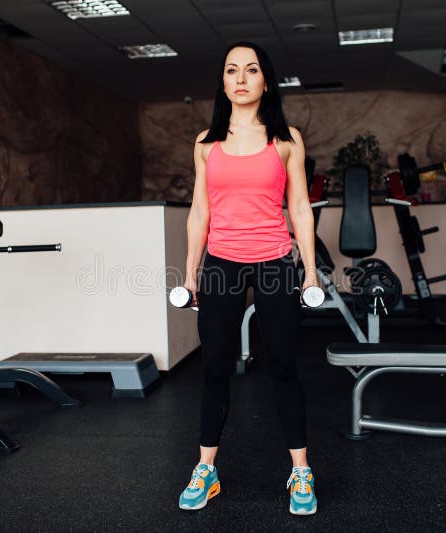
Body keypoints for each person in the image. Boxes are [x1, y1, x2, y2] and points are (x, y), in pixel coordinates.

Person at [178, 41, 319, 516]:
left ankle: (301, 470)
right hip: (221, 262)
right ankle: (206, 469)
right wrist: (191, 273)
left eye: (251, 70)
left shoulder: (286, 139)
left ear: (265, 81)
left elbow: (299, 206)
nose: (241, 78)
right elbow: (200, 211)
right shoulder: (205, 143)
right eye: (232, 70)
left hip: (275, 261)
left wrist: (310, 272)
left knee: (283, 365)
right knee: (215, 366)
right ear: (223, 81)